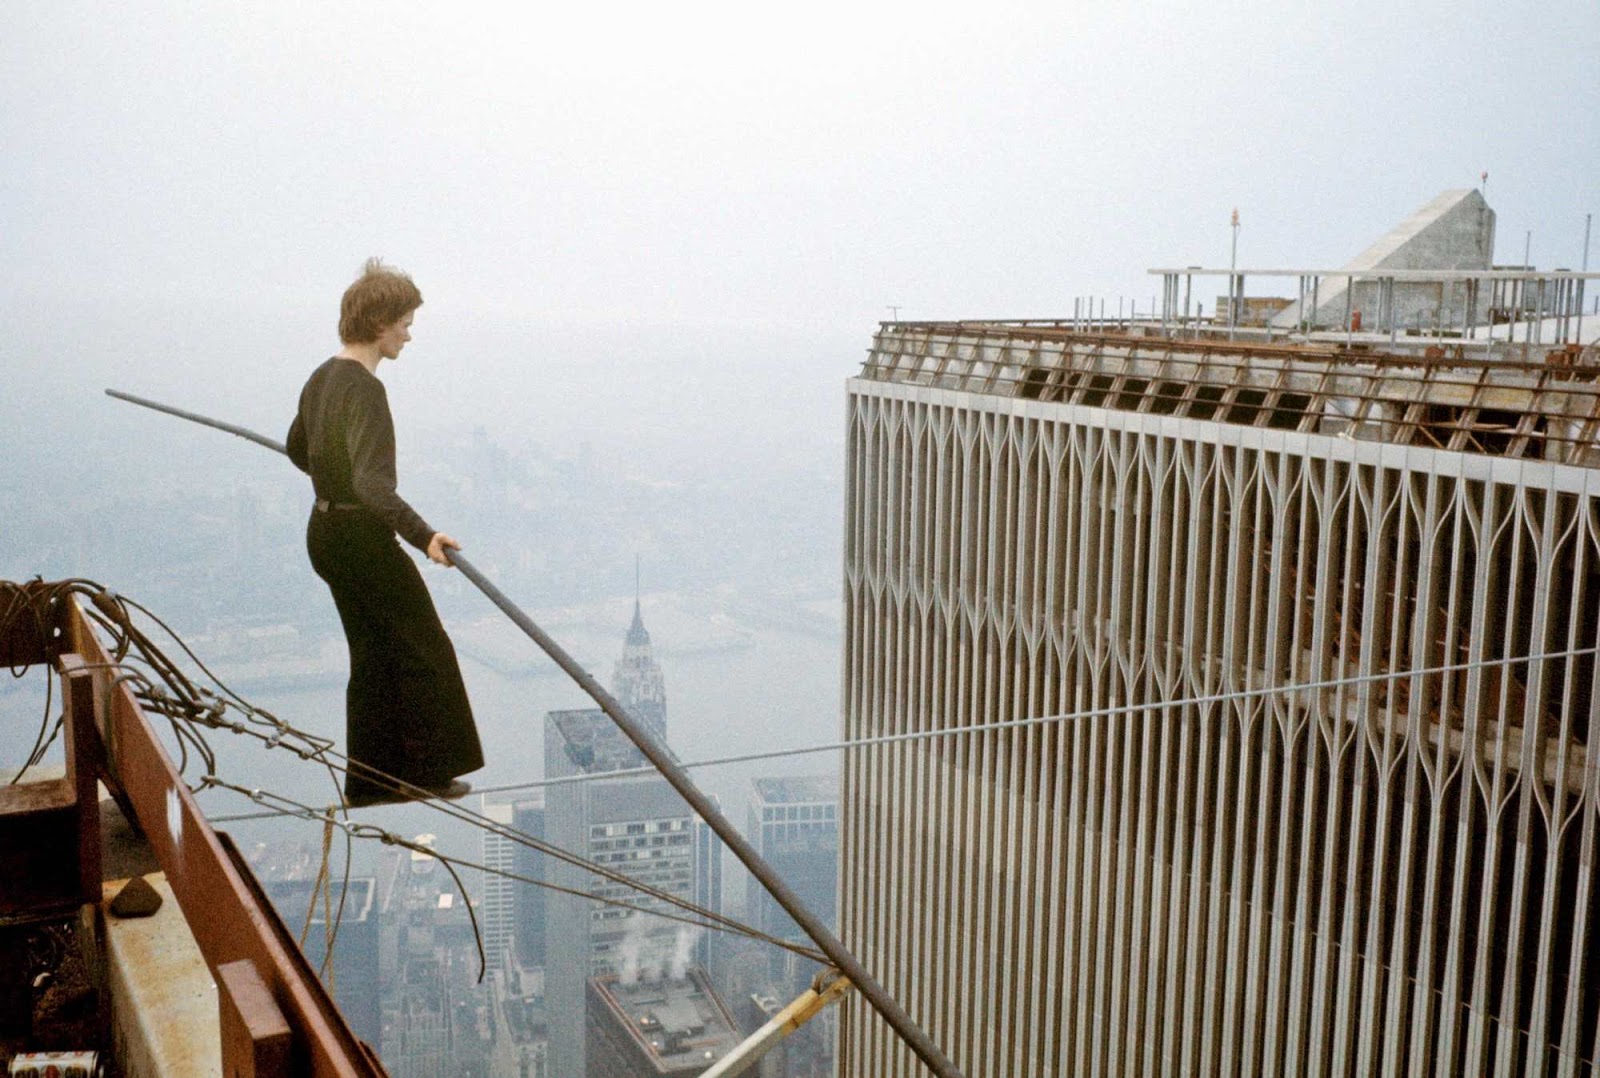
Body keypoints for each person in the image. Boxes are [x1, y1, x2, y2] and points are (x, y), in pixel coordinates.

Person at [287, 258, 484, 808]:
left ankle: (371, 782)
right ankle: (425, 773)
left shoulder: (322, 376)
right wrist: (426, 537)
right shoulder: (367, 391)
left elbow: (297, 449)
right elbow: (373, 486)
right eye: (404, 322)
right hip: (359, 539)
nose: (409, 333)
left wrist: (334, 478)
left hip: (323, 533)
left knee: (371, 656)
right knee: (425, 649)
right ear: (378, 324)